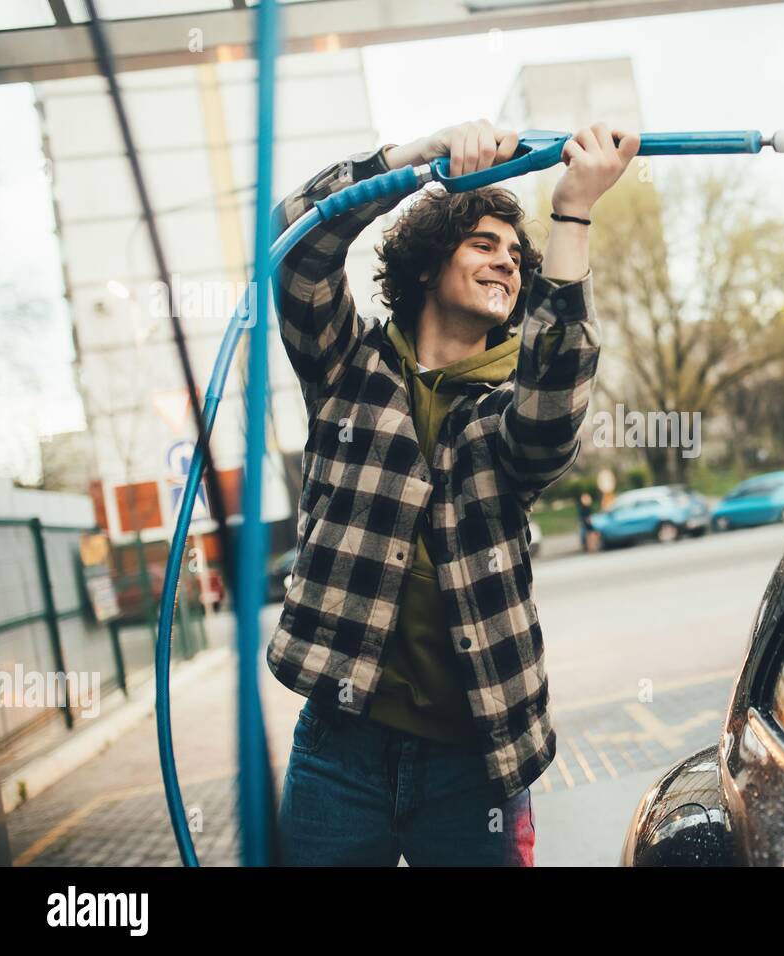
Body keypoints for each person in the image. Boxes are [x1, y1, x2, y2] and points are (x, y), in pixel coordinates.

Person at [267, 119, 639, 865]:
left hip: (477, 760)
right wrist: (416, 160)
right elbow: (297, 246)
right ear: (431, 262)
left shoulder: (511, 404)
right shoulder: (349, 366)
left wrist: (573, 211)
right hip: (340, 751)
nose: (505, 261)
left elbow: (555, 403)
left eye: (514, 255)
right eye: (482, 244)